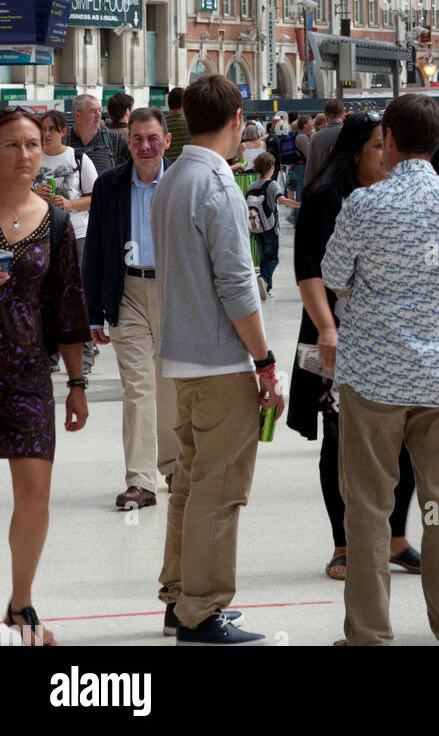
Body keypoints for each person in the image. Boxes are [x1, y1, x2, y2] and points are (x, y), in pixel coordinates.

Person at [321, 94, 439, 646]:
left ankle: (369, 633)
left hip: (375, 378)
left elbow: (335, 275)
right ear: (438, 141)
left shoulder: (365, 205)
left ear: (388, 139)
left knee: (368, 508)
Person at [152, 75, 285, 646]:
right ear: (236, 120)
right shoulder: (219, 184)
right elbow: (235, 283)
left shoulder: (171, 178)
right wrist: (264, 359)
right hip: (220, 360)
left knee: (189, 483)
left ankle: (179, 596)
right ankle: (201, 611)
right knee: (220, 488)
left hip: (180, 356)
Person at [288, 113, 421, 582]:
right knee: (340, 440)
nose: (386, 157)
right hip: (338, 337)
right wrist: (328, 329)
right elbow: (309, 270)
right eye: (377, 147)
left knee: (401, 437)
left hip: (389, 340)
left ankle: (397, 538)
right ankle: (343, 543)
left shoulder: (391, 197)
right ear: (355, 152)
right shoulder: (325, 198)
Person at [0, 107, 90, 646]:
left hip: (30, 375)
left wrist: (77, 383)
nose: (24, 155)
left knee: (35, 494)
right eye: (11, 144)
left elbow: (67, 308)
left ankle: (21, 603)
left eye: (32, 144)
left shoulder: (54, 222)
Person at [82, 107, 177, 509]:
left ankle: (173, 466)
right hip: (127, 292)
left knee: (171, 386)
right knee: (139, 387)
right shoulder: (109, 186)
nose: (145, 146)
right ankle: (140, 480)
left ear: (167, 141)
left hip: (176, 293)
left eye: (153, 138)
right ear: (128, 142)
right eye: (136, 139)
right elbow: (96, 250)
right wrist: (92, 313)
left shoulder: (181, 182)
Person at [35, 111, 98, 375]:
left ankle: (84, 355)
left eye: (52, 129)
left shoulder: (79, 159)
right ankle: (49, 355)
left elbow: (95, 197)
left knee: (76, 296)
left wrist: (70, 203)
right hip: (41, 236)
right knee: (44, 296)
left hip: (76, 235)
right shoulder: (32, 159)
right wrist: (35, 195)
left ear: (63, 131)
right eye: (43, 129)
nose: (46, 134)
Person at [245, 152, 295, 297]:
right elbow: (282, 200)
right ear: (272, 168)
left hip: (255, 227)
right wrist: (299, 204)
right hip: (270, 227)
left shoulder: (251, 186)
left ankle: (266, 288)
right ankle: (264, 279)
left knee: (263, 258)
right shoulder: (272, 185)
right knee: (272, 258)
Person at [67, 93, 130, 172]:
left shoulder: (114, 138)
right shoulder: (63, 139)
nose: (98, 115)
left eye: (100, 110)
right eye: (93, 111)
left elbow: (136, 163)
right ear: (77, 115)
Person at [304, 98, 345, 188]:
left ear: (325, 117)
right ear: (343, 116)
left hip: (323, 190)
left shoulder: (316, 137)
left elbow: (310, 169)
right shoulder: (352, 134)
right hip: (346, 191)